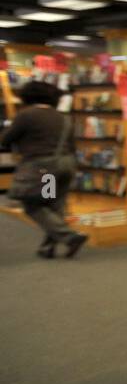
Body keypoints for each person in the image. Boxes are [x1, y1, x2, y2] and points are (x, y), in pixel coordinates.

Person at [1, 80, 87, 258]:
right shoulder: (64, 117)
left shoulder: (26, 115)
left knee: (33, 205)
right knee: (54, 205)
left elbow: (6, 139)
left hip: (45, 168)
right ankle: (48, 247)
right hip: (66, 164)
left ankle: (70, 237)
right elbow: (72, 144)